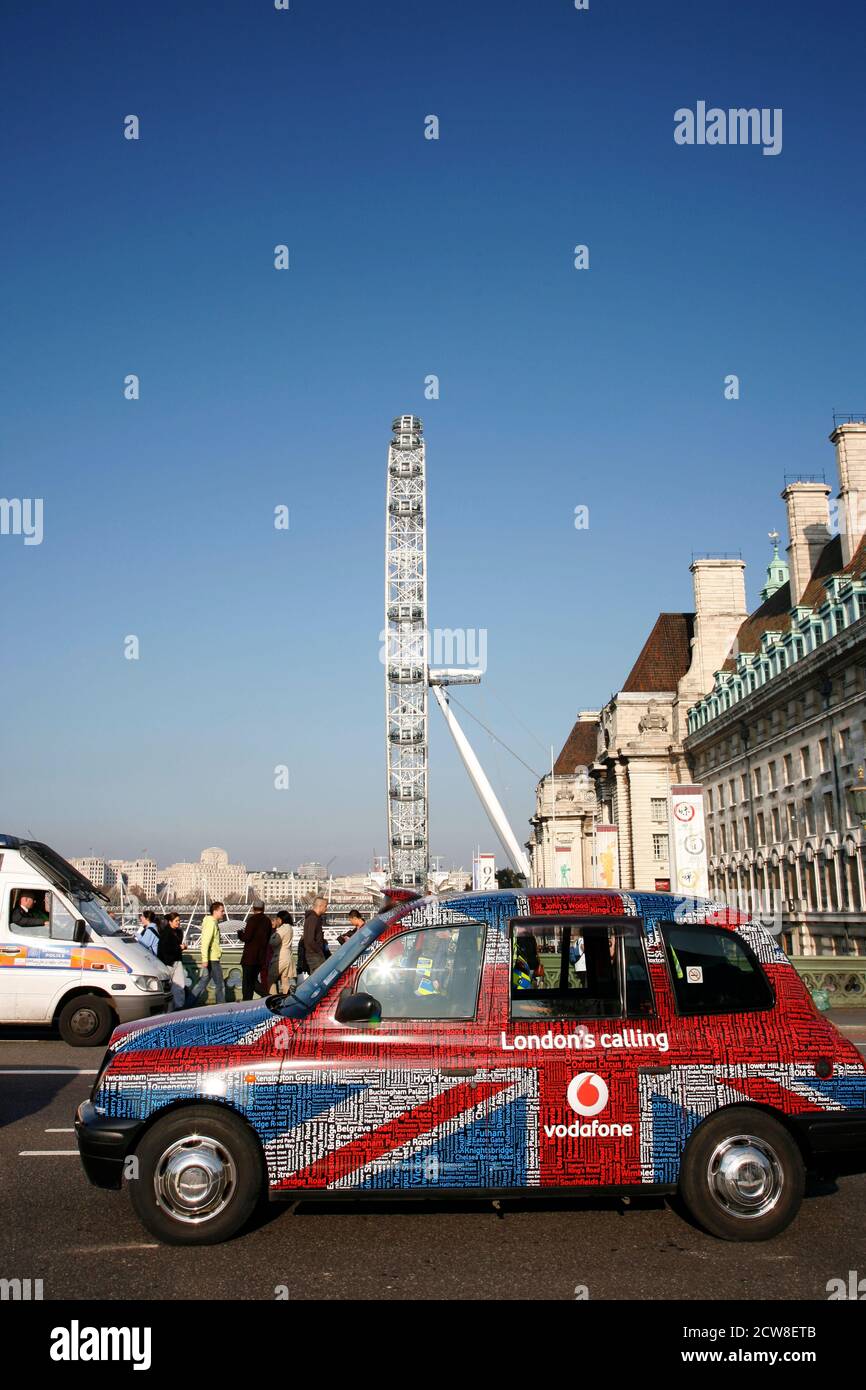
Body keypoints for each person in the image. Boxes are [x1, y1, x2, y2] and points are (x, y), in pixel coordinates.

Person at [191, 902, 226, 1004]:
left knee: (202, 983)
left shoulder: (211, 922)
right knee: (220, 985)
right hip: (212, 959)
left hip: (211, 958)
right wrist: (205, 959)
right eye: (221, 911)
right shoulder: (211, 923)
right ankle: (222, 1008)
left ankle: (188, 1004)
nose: (223, 913)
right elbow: (205, 942)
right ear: (215, 911)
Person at [239, 901, 272, 1001]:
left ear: (253, 909)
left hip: (250, 957)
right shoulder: (267, 921)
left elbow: (247, 937)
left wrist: (240, 934)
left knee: (247, 982)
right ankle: (266, 996)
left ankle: (249, 1001)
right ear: (263, 908)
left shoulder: (252, 920)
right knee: (253, 980)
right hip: (261, 957)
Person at [157, 912, 187, 1010]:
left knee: (179, 985)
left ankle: (179, 1006)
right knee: (170, 986)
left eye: (179, 920)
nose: (178, 923)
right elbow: (166, 949)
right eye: (176, 921)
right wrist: (179, 947)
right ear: (170, 922)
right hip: (168, 962)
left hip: (177, 960)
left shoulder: (178, 932)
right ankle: (169, 1008)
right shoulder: (166, 933)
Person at [268, 910, 296, 996]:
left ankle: (273, 997)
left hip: (280, 957)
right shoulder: (290, 928)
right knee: (285, 980)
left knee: (270, 978)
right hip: (288, 956)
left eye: (277, 919)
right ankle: (286, 999)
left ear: (280, 919)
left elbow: (274, 942)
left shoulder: (282, 929)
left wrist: (272, 934)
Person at [302, 896, 329, 974]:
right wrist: (319, 951)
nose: (326, 908)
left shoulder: (313, 918)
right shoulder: (313, 919)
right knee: (320, 977)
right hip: (315, 955)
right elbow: (310, 940)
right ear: (319, 906)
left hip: (314, 954)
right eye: (325, 906)